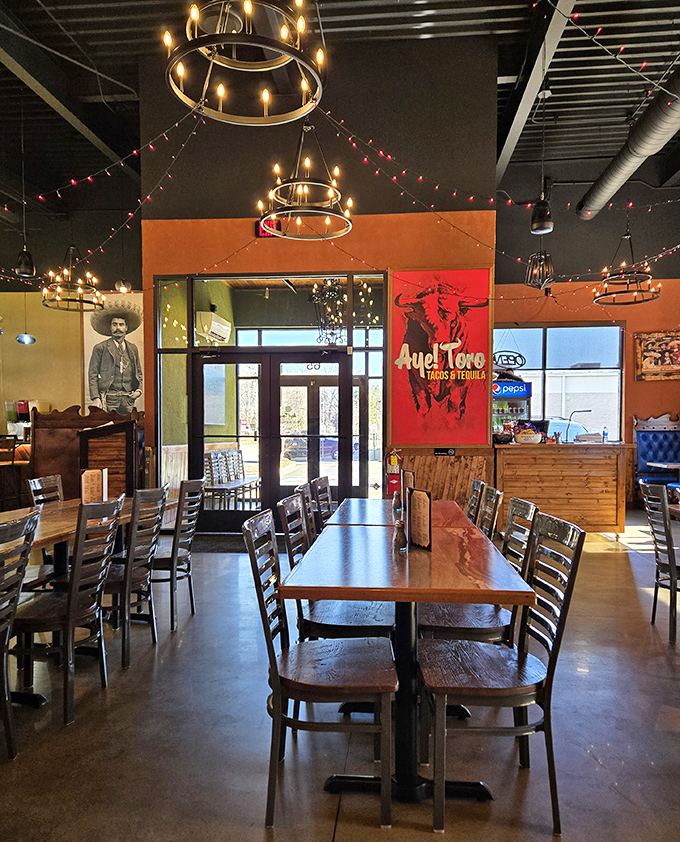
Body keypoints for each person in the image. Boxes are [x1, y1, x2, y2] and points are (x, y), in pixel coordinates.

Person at [88, 301, 143, 414]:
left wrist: (139, 390)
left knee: (129, 427)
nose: (118, 328)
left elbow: (139, 372)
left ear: (126, 327)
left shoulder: (132, 349)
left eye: (121, 324)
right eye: (114, 324)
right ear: (110, 327)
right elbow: (92, 374)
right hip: (109, 398)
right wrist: (95, 398)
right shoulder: (100, 348)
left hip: (128, 399)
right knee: (110, 428)